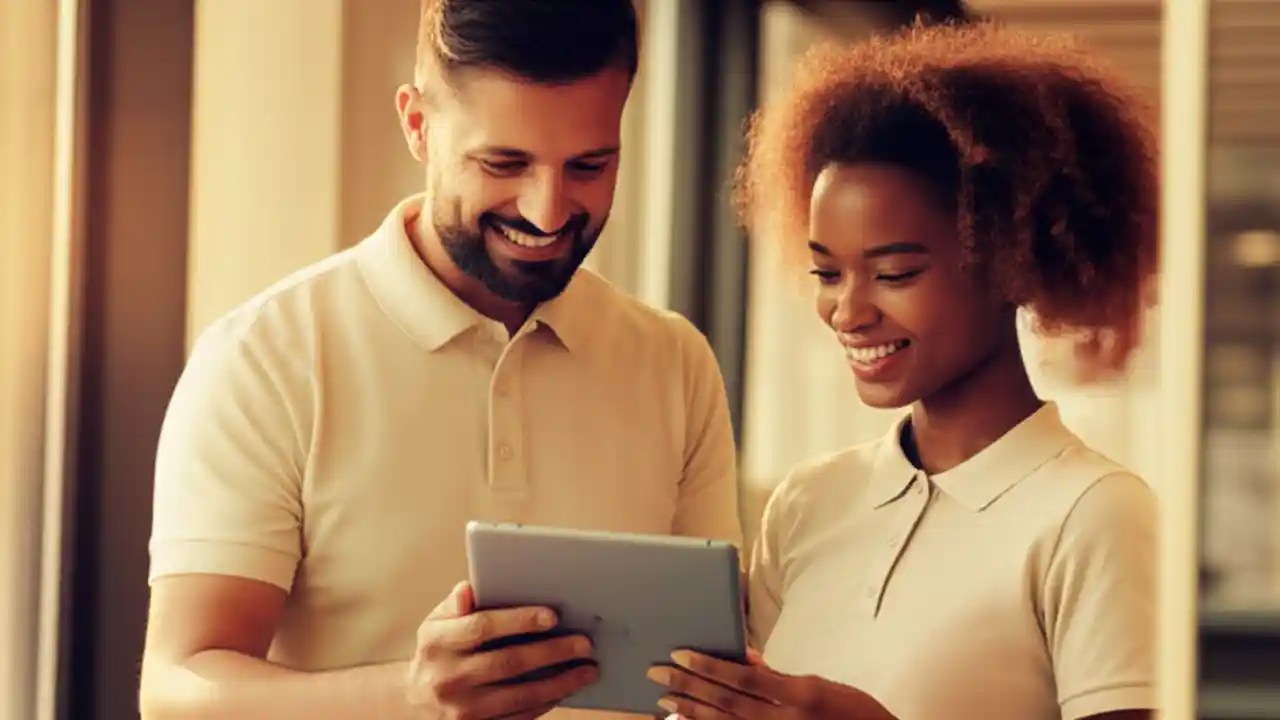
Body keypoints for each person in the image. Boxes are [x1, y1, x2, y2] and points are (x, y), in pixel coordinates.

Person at [139, 1, 741, 719]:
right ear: (418, 125)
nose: (548, 212)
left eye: (589, 165)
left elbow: (707, 679)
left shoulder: (674, 363)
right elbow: (177, 690)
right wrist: (411, 697)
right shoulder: (268, 358)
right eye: (504, 163)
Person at [648, 22, 1158, 720]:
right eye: (826, 272)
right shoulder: (806, 505)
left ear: (1012, 257)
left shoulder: (1093, 513)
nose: (846, 312)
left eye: (895, 273)